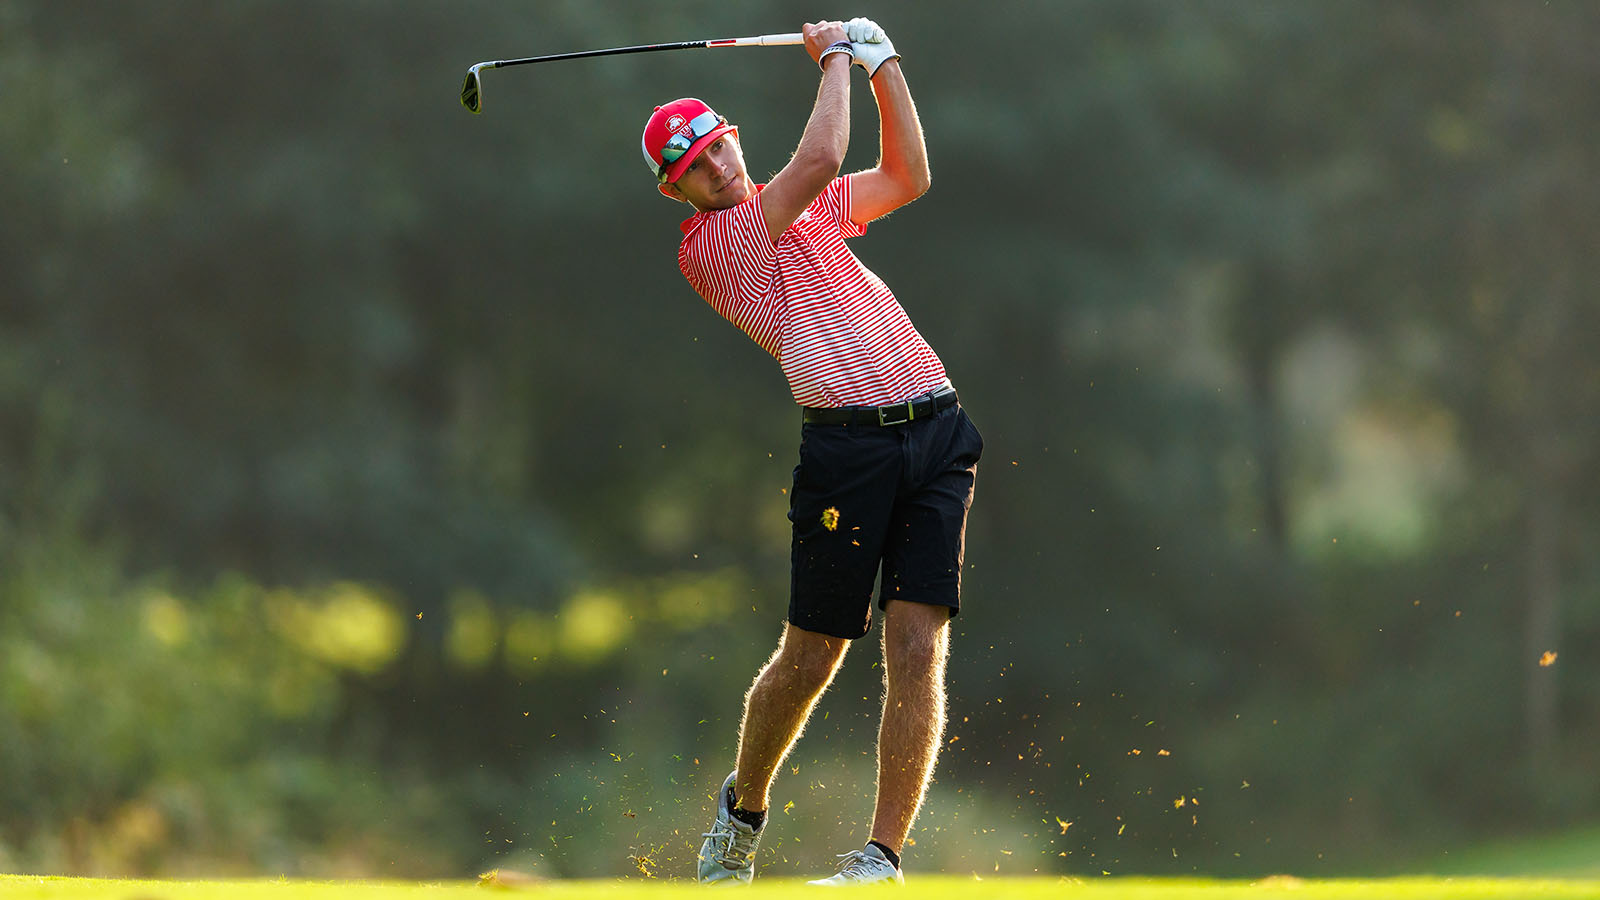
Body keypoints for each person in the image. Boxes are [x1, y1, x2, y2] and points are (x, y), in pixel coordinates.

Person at [639, 17, 982, 886]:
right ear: (674, 193)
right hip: (846, 454)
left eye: (715, 150)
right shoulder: (715, 246)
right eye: (692, 170)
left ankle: (881, 860)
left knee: (915, 649)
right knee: (811, 657)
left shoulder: (805, 208)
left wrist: (882, 65)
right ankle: (742, 813)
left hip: (936, 431)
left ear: (732, 139)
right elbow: (822, 160)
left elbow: (909, 177)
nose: (713, 169)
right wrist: (835, 55)